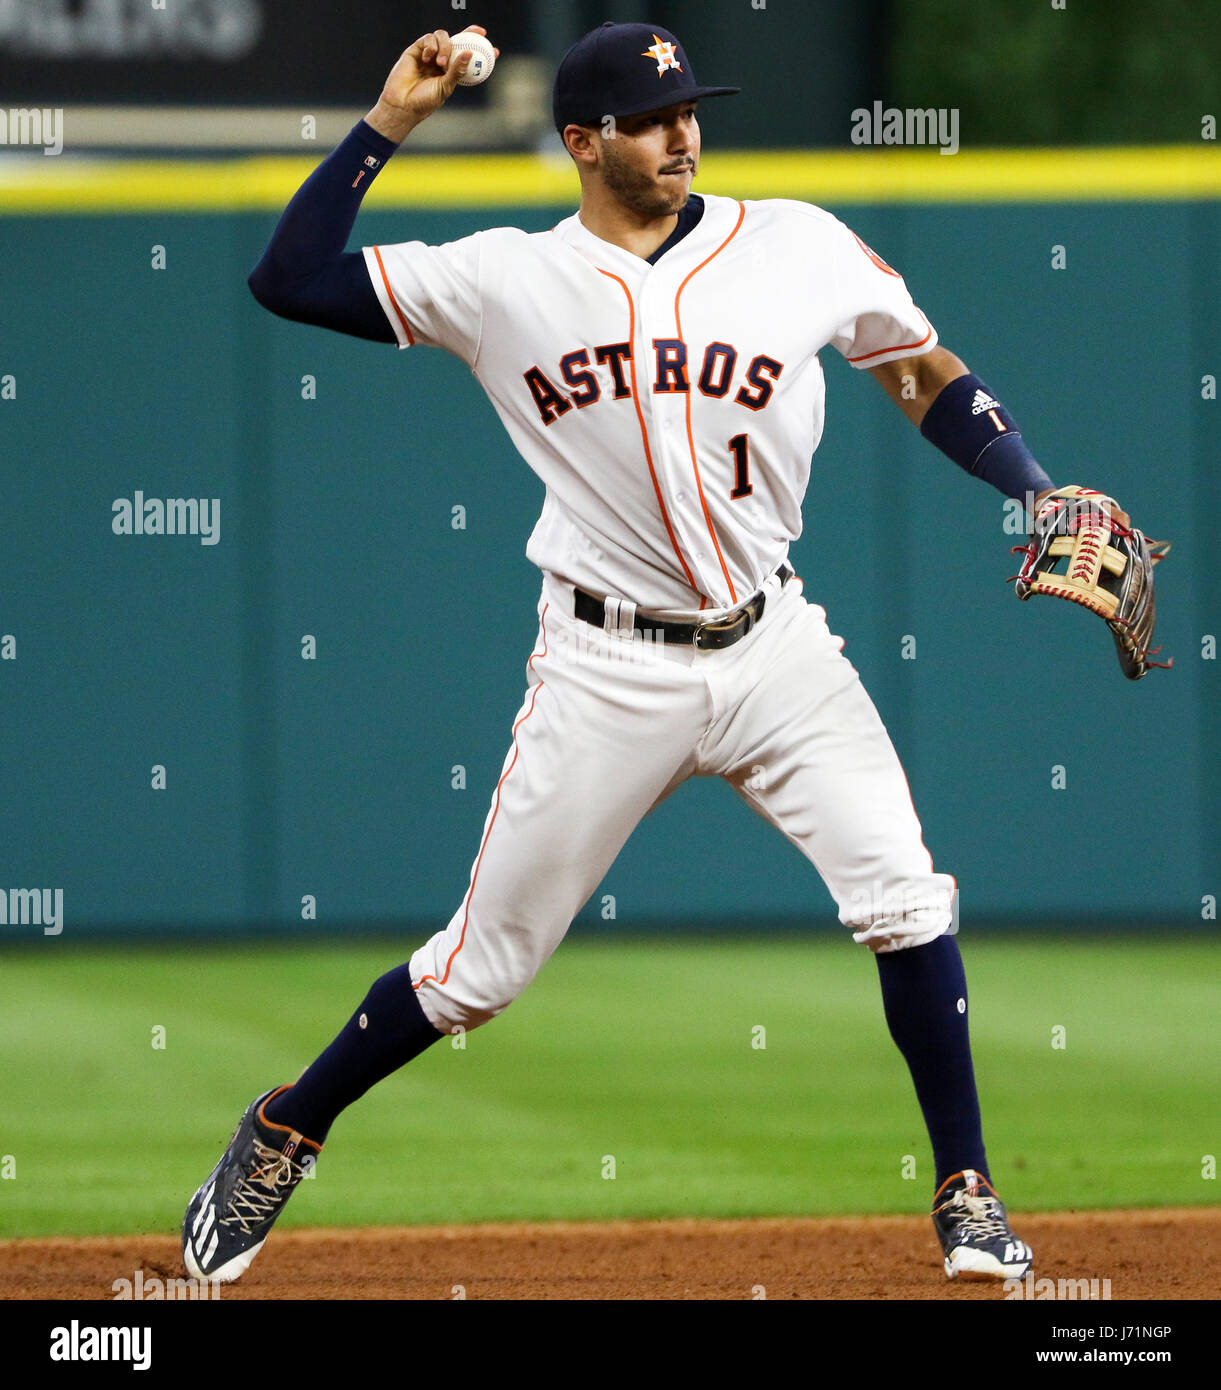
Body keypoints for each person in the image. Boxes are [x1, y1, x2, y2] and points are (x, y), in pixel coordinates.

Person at [182, 19, 1080, 1289]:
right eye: (653, 119)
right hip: (608, 669)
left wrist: (1034, 489)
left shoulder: (795, 242)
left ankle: (968, 1191)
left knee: (906, 895)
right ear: (583, 142)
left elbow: (921, 372)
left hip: (776, 646)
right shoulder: (504, 279)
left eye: (689, 110)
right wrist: (393, 119)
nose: (683, 134)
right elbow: (289, 278)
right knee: (476, 973)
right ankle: (286, 1125)